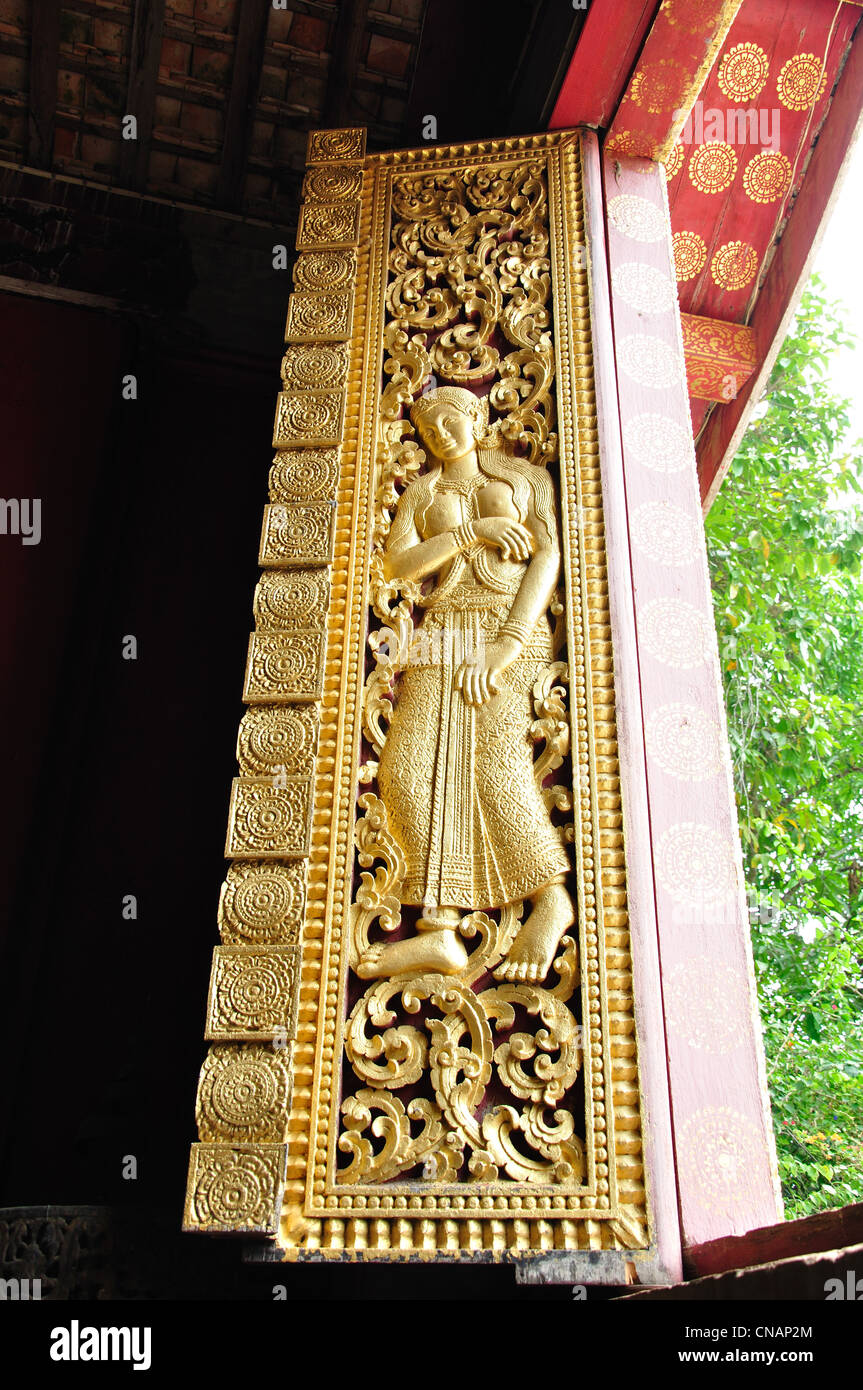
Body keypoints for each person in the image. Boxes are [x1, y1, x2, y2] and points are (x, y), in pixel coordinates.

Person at [357, 385, 574, 983]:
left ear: (478, 419)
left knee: (493, 760)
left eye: (452, 421)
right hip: (443, 627)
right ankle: (440, 927)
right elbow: (395, 566)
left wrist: (507, 643)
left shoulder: (522, 479)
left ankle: (550, 896)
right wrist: (470, 533)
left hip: (509, 624)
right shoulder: (424, 493)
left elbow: (548, 558)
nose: (442, 435)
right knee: (407, 767)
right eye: (429, 430)